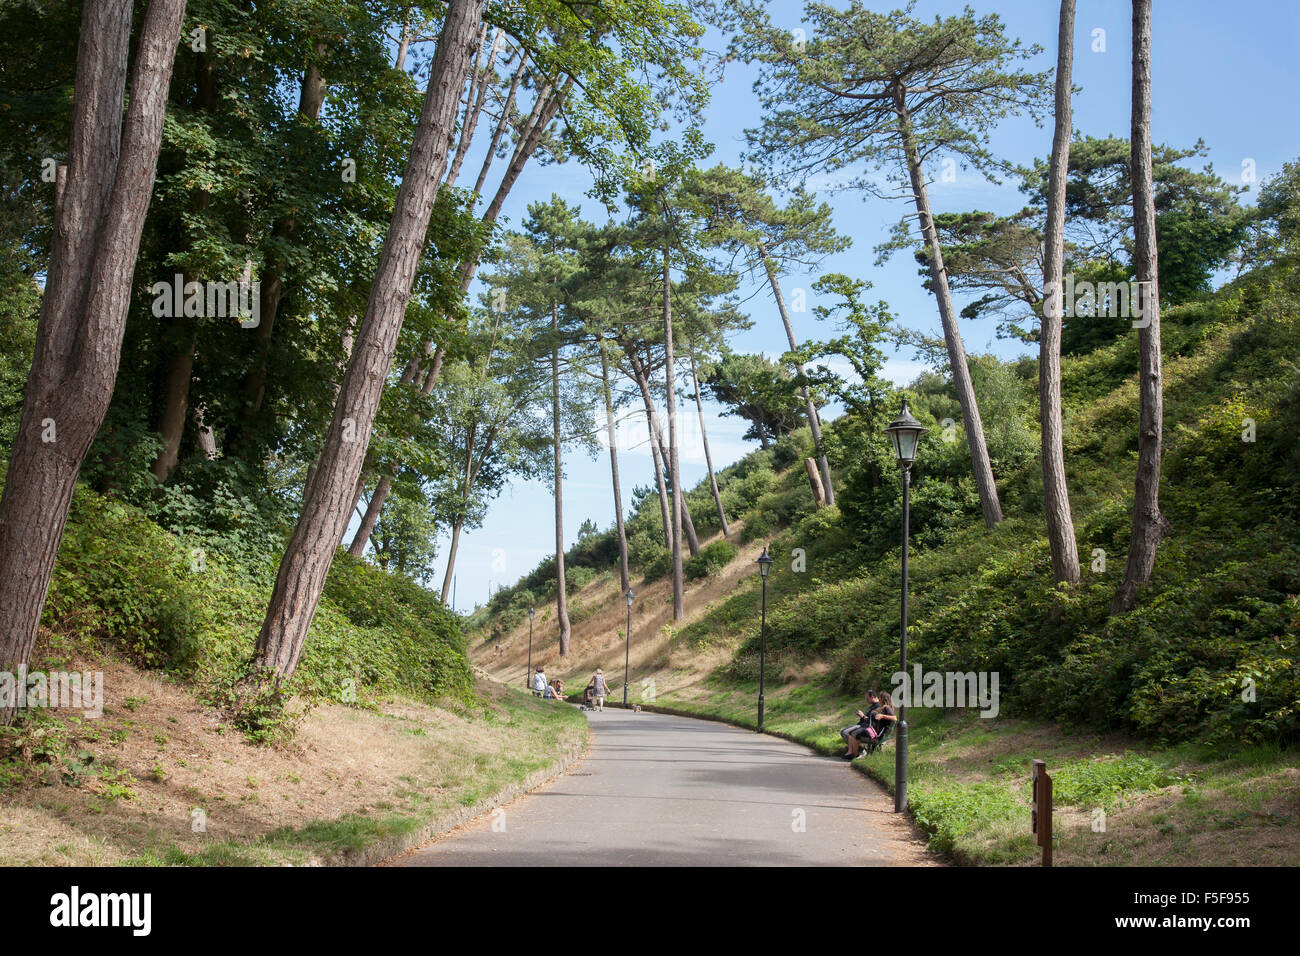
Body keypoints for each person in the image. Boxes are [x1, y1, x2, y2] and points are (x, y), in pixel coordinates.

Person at [844, 691, 897, 760]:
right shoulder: (882, 708)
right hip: (871, 729)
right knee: (851, 733)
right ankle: (853, 754)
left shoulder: (887, 708)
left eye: (880, 697)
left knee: (854, 734)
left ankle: (856, 755)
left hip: (874, 734)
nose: (878, 699)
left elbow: (895, 718)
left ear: (882, 699)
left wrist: (882, 716)